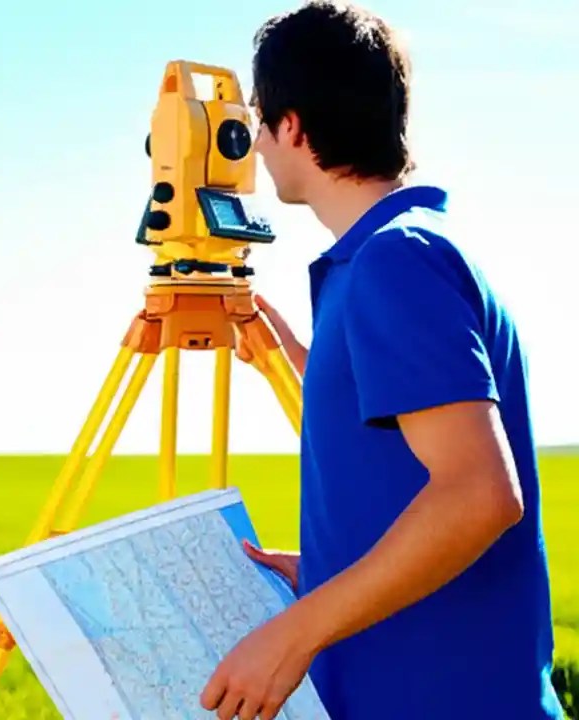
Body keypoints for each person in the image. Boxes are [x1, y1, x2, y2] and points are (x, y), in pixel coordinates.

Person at [197, 2, 566, 719]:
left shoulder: (393, 263)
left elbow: (479, 494)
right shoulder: (407, 248)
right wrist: (322, 575)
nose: (259, 148)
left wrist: (290, 636)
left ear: (293, 126)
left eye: (259, 123)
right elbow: (405, 460)